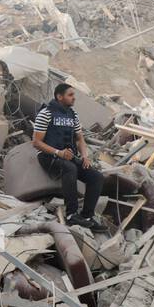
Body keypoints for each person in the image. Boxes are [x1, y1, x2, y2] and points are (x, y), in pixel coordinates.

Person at [33, 83, 105, 230]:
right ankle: (72, 215)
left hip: (69, 156)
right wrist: (58, 153)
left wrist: (85, 156)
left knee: (96, 177)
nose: (74, 98)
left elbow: (80, 139)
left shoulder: (73, 115)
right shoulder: (46, 113)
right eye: (70, 95)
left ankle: (87, 216)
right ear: (59, 97)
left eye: (74, 95)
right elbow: (36, 143)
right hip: (49, 157)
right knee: (70, 168)